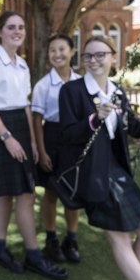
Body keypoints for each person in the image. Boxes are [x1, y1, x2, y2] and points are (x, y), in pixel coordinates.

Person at [58, 35, 140, 280]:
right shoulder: (72, 90)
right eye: (88, 55)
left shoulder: (118, 92)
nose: (94, 60)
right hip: (93, 173)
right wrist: (94, 118)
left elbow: (134, 128)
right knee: (120, 238)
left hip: (118, 172)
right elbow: (68, 134)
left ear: (114, 58)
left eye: (100, 54)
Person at [0, 11, 68, 280]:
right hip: (0, 129)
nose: (17, 31)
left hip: (19, 125)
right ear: (0, 32)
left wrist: (29, 140)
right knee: (25, 195)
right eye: (11, 27)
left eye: (21, 27)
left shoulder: (23, 65)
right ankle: (34, 255)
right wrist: (8, 138)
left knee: (10, 194)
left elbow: (26, 105)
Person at [31, 33, 82, 263]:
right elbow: (37, 121)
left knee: (73, 194)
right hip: (51, 139)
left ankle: (71, 240)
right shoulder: (43, 85)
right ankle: (51, 241)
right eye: (52, 50)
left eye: (62, 49)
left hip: (75, 141)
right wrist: (41, 151)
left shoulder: (82, 82)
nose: (57, 54)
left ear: (72, 51)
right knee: (51, 193)